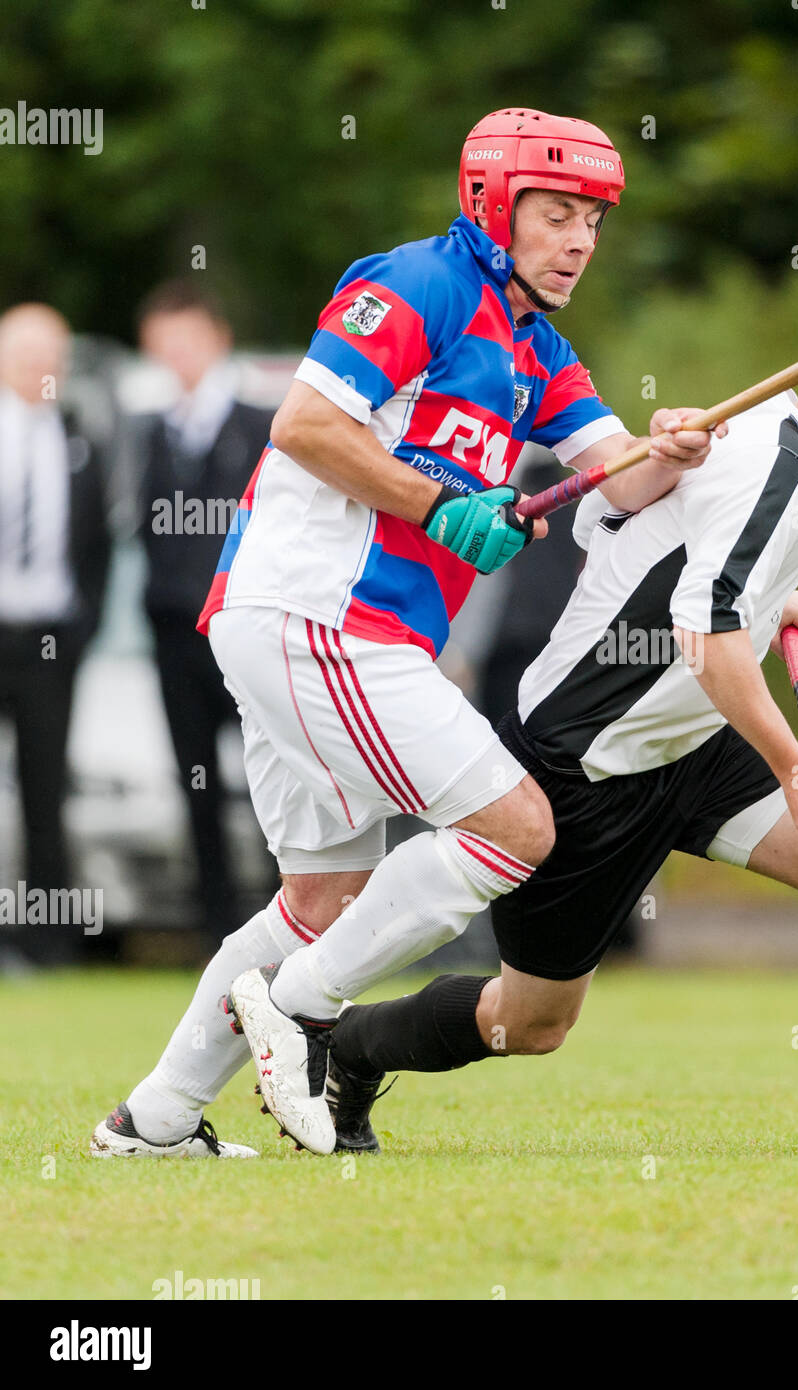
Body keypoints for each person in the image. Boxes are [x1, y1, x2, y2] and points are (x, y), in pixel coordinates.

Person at [237, 315, 798, 1156]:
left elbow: (621, 531)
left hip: (686, 744)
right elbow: (709, 641)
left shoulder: (769, 446)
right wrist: (796, 765)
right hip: (585, 760)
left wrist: (768, 604)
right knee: (533, 1022)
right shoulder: (780, 458)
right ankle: (350, 1047)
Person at [91, 107, 722, 1157]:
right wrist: (437, 505)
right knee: (517, 827)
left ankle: (153, 1120)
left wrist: (678, 448)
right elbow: (303, 423)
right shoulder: (422, 283)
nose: (579, 242)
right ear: (491, 204)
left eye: (594, 222)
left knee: (320, 899)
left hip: (318, 631)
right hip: (321, 614)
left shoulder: (539, 346)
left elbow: (620, 475)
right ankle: (298, 1010)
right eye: (557, 215)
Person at [135, 281, 278, 948]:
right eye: (166, 340)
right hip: (173, 633)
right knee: (195, 781)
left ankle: (290, 919)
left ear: (218, 337)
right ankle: (216, 926)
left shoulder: (261, 425)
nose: (179, 353)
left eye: (189, 336)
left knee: (270, 777)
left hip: (242, 628)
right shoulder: (150, 435)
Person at [0, 304, 111, 967]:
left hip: (48, 643)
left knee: (45, 792)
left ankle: (46, 943)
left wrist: (81, 629)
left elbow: (96, 547)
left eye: (56, 356)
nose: (48, 368)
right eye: (33, 354)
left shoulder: (77, 439)